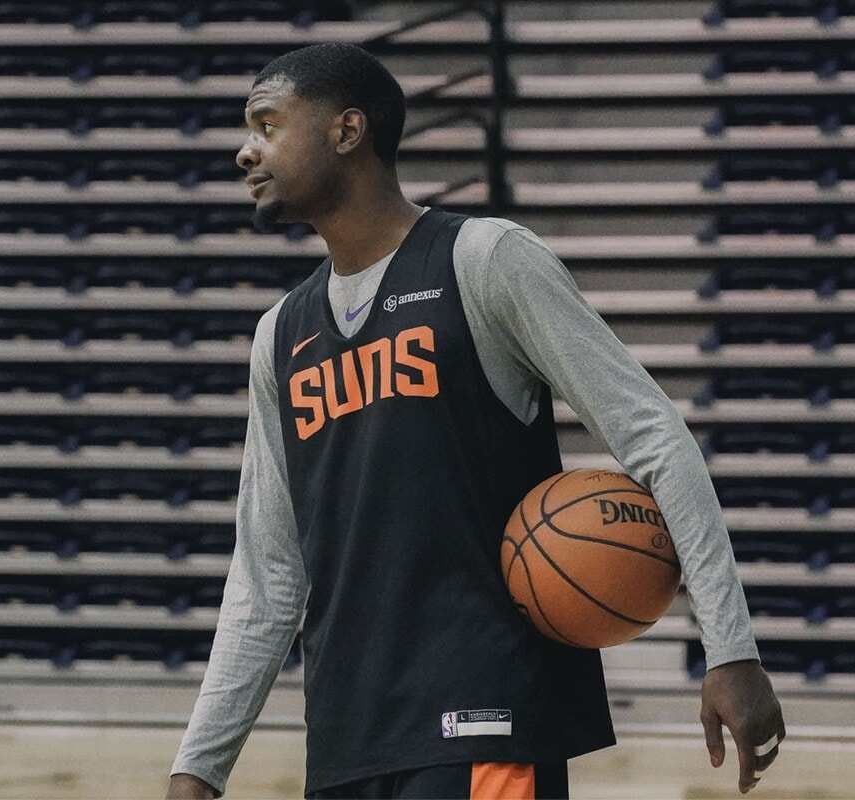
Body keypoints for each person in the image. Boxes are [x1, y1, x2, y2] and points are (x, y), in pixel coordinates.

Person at [167, 42, 785, 800]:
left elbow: (655, 438)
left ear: (346, 130)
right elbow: (268, 576)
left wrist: (730, 648)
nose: (244, 151)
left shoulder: (485, 260)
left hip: (486, 714)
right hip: (349, 738)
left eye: (267, 124)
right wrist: (199, 765)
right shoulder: (280, 335)